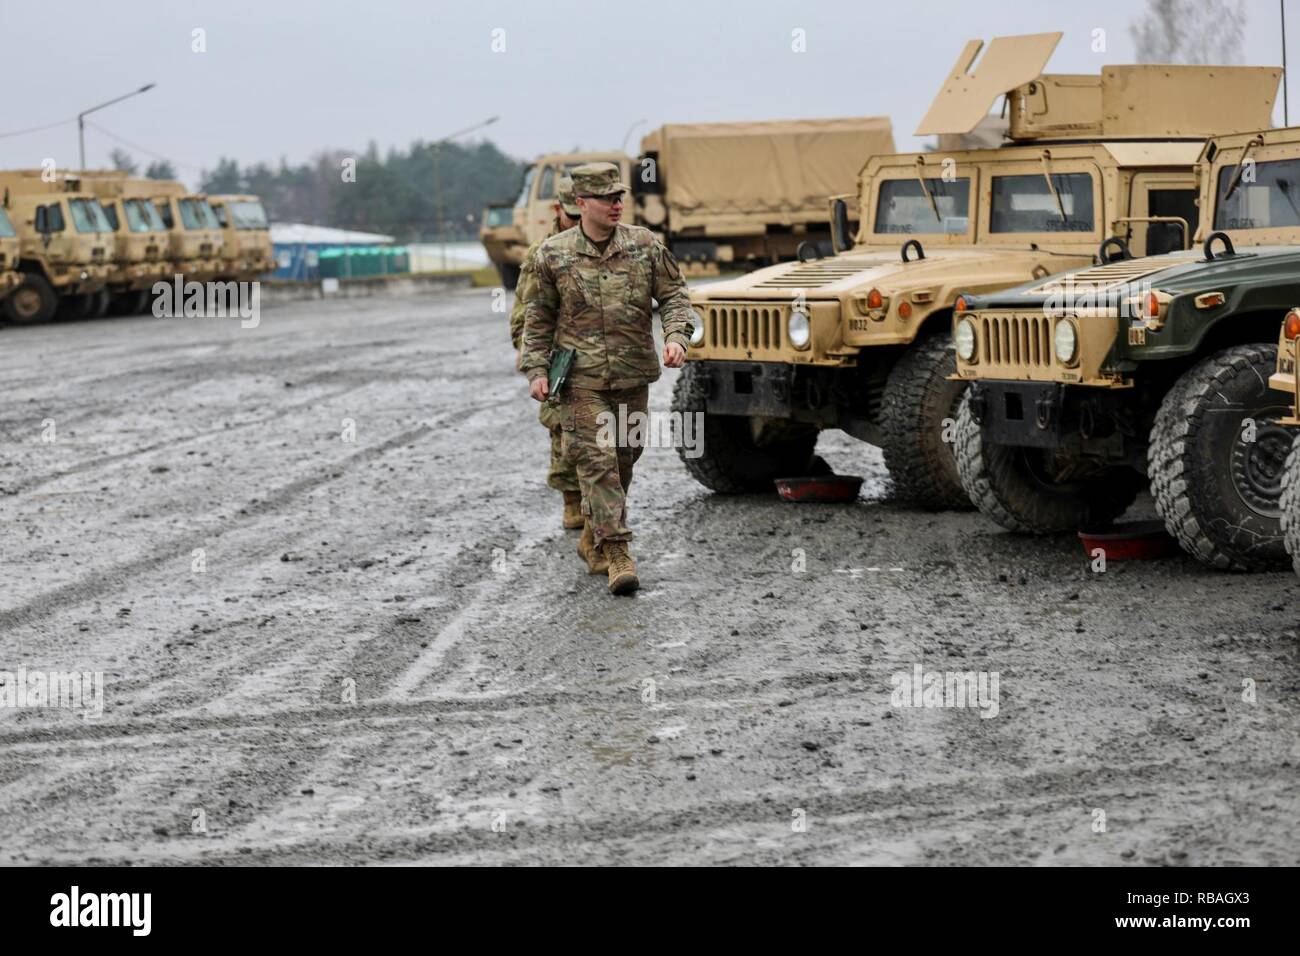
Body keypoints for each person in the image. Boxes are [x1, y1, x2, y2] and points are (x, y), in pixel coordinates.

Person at [520, 162, 694, 595]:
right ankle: (618, 551)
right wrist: (536, 369)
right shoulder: (553, 255)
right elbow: (536, 318)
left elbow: (674, 294)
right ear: (581, 204)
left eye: (620, 196)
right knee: (597, 462)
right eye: (606, 198)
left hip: (633, 374)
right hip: (579, 379)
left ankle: (593, 535)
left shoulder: (645, 245)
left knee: (623, 458)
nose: (617, 204)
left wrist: (676, 336)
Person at [510, 177, 584, 530]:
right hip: (559, 358)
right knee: (562, 428)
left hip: (601, 356)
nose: (578, 224)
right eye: (572, 216)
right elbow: (523, 311)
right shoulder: (542, 252)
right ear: (558, 210)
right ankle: (572, 500)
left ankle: (602, 503)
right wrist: (527, 353)